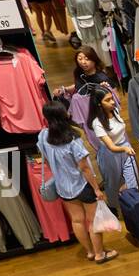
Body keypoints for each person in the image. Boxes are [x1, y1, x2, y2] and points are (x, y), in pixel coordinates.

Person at [38, 101, 116, 263]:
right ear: (63, 116)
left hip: (62, 187)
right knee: (93, 220)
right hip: (82, 185)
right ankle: (100, 254)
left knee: (77, 220)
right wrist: (96, 189)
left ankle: (90, 252)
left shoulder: (43, 136)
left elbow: (44, 157)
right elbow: (85, 168)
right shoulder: (73, 140)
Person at [88, 87, 139, 210]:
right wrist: (124, 149)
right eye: (108, 100)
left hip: (125, 148)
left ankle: (133, 206)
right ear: (99, 104)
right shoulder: (97, 123)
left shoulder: (115, 111)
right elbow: (111, 146)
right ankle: (114, 208)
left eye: (111, 98)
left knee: (133, 181)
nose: (112, 102)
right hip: (110, 154)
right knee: (112, 185)